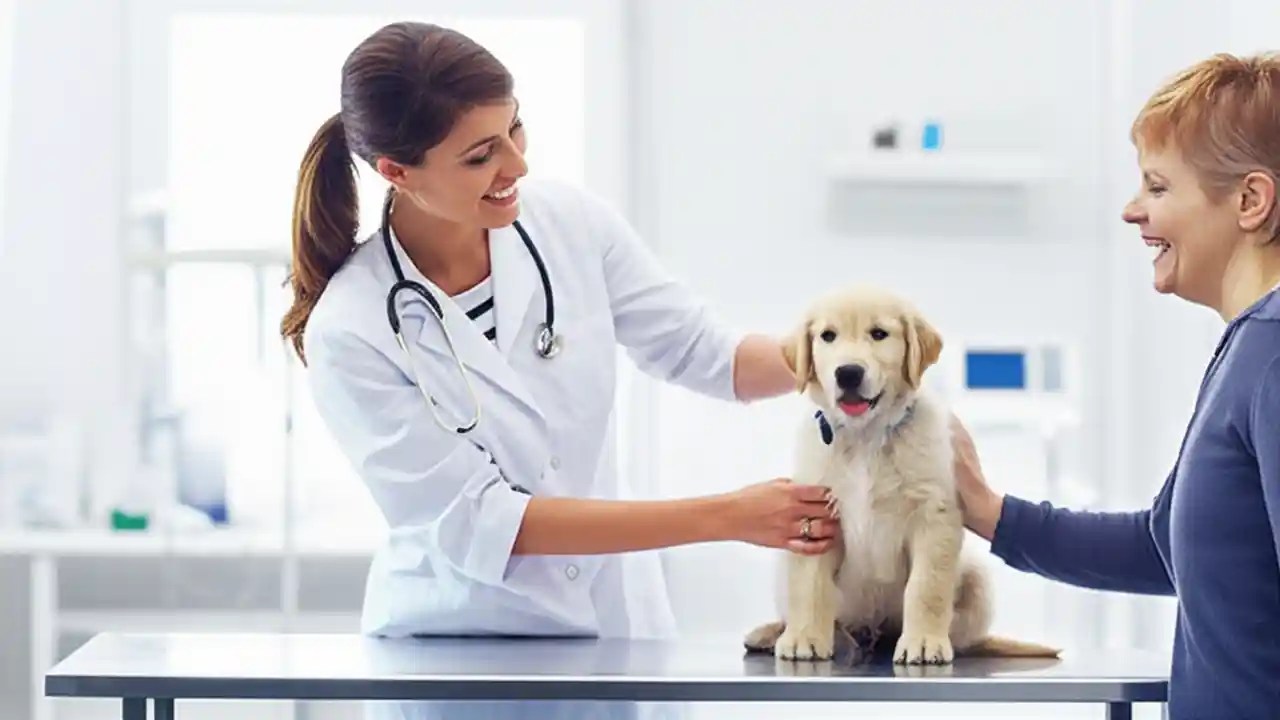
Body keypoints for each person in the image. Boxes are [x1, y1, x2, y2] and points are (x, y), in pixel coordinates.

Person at [278, 21, 837, 717]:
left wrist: (839, 356)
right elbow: (489, 521)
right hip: (460, 653)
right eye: (481, 155)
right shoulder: (353, 328)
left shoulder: (567, 223)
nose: (517, 165)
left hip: (615, 635)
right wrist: (727, 515)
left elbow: (703, 351)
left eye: (517, 131)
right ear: (398, 172)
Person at [951, 51, 1280, 719]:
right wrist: (983, 507)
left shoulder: (1273, 353)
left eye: (1158, 188)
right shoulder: (1247, 349)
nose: (1133, 211)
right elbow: (1167, 550)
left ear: (1250, 200)